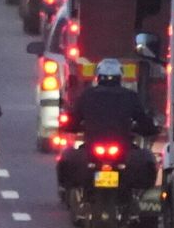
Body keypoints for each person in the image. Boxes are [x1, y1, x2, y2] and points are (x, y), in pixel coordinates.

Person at [58, 59, 158, 191]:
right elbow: (143, 120)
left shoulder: (87, 95)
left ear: (98, 77)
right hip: (122, 146)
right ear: (120, 77)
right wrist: (149, 128)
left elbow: (74, 120)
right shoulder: (130, 96)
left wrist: (70, 126)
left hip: (94, 146)